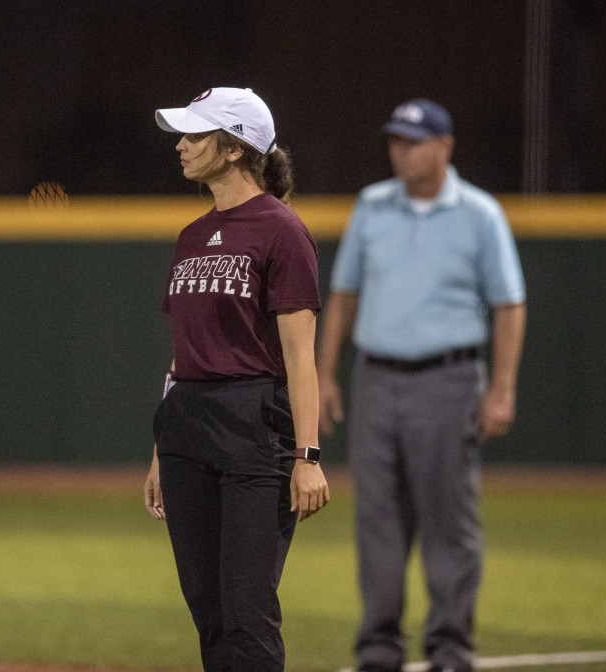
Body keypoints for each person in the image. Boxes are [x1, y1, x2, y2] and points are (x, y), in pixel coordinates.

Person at [316, 98, 526, 672]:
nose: (400, 151)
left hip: (449, 379)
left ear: (445, 146)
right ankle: (379, 650)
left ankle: (451, 648)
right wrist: (324, 374)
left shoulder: (480, 213)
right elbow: (344, 294)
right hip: (377, 379)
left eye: (412, 141)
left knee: (446, 520)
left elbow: (508, 304)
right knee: (377, 520)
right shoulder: (372, 205)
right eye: (395, 141)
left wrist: (501, 389)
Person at [143, 86, 330, 672]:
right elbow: (183, 355)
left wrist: (308, 454)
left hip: (254, 428)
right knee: (208, 606)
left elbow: (301, 356)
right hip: (187, 430)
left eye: (195, 135)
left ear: (233, 149)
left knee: (246, 608)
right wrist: (160, 449)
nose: (181, 145)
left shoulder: (281, 230)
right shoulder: (191, 236)